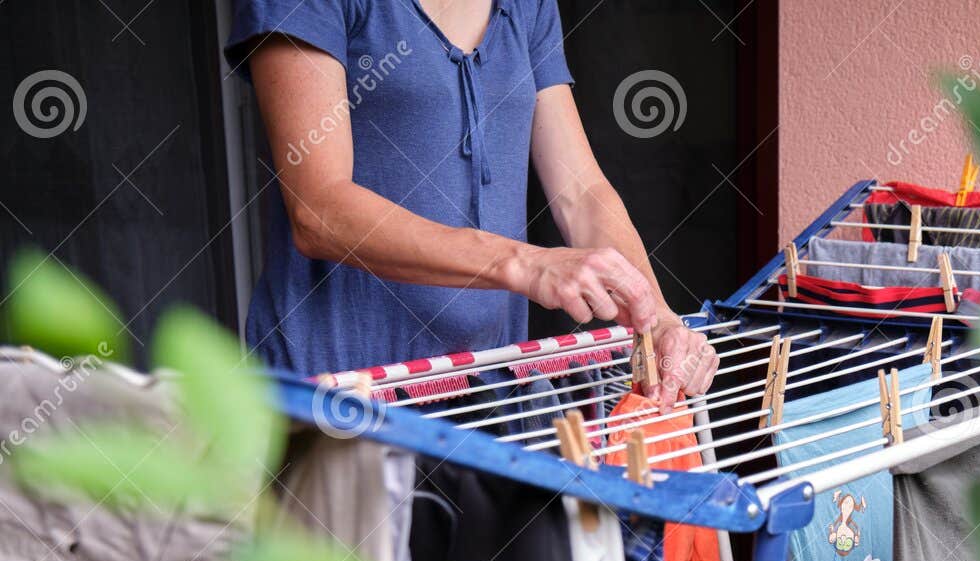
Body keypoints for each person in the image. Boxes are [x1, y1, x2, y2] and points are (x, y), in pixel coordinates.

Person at [224, 0, 717, 405]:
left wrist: (657, 320)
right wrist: (526, 264)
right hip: (340, 393)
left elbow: (581, 192)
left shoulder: (527, 6)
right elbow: (319, 210)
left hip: (489, 392)